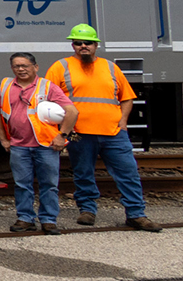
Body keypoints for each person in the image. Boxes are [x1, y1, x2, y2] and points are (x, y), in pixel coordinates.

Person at [48, 24, 162, 232]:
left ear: (96, 45)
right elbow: (48, 100)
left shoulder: (110, 67)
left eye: (87, 42)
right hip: (79, 133)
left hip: (113, 132)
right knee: (83, 174)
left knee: (128, 173)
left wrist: (123, 122)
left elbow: (127, 98)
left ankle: (136, 214)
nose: (83, 46)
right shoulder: (60, 67)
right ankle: (87, 210)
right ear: (72, 45)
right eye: (77, 43)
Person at [0, 52, 76, 234]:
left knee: (49, 184)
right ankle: (25, 218)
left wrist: (62, 136)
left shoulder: (48, 87)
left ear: (35, 67)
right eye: (17, 66)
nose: (21, 69)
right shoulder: (6, 85)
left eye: (25, 66)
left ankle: (48, 220)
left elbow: (72, 111)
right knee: (22, 184)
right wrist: (3, 139)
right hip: (18, 145)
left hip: (45, 145)